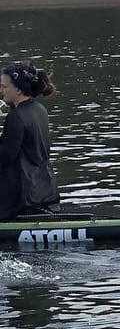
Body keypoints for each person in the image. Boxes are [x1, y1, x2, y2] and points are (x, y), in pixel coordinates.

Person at [0, 61, 60, 219]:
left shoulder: (16, 117)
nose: (1, 91)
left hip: (22, 199)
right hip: (44, 192)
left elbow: (4, 158)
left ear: (18, 89)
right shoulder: (39, 109)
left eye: (4, 87)